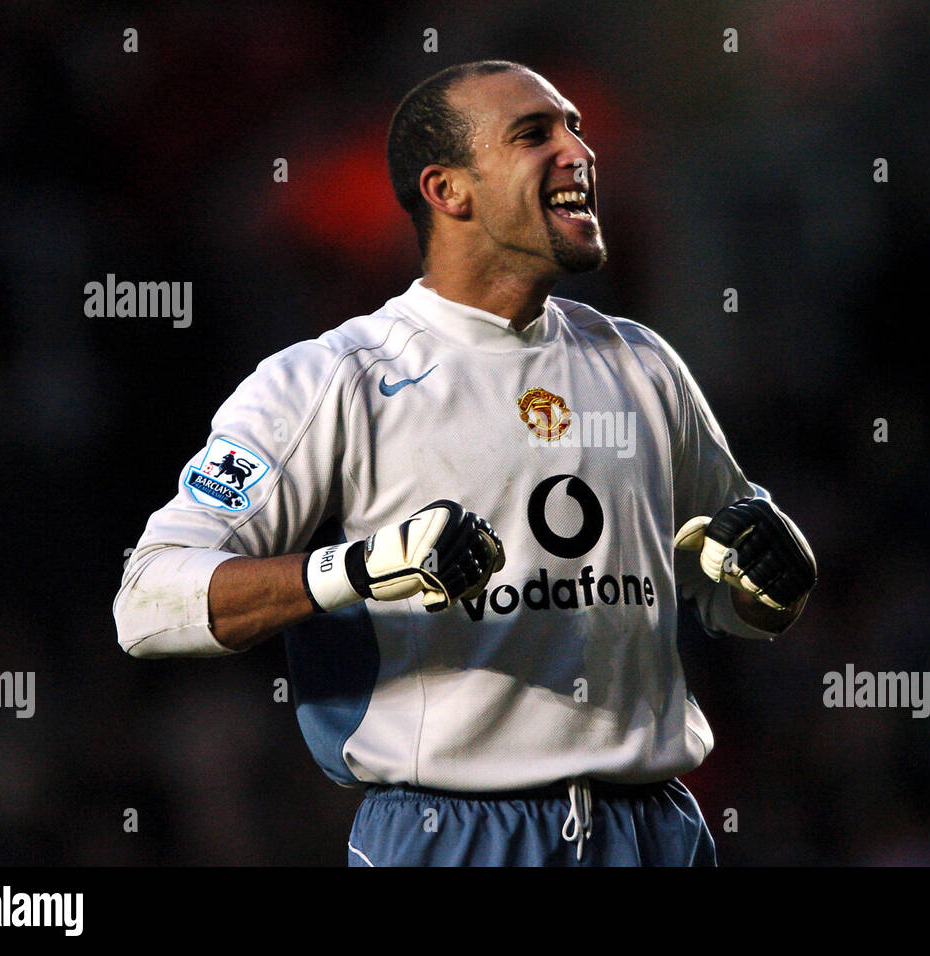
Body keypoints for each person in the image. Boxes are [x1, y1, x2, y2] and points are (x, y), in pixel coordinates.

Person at [113, 60, 817, 867]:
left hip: (653, 831)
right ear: (448, 190)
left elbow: (729, 588)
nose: (579, 152)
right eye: (534, 134)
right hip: (449, 834)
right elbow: (148, 602)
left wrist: (768, 588)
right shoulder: (333, 380)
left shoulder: (643, 365)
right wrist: (360, 568)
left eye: (575, 128)